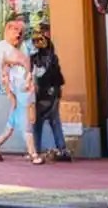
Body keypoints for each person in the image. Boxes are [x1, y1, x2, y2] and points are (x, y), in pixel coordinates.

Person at [0, 15, 38, 162]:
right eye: (15, 30)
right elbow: (4, 69)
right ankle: (32, 153)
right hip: (19, 90)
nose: (19, 34)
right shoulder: (3, 47)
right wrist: (9, 92)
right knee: (26, 122)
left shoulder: (24, 46)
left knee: (12, 124)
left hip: (25, 88)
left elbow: (28, 64)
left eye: (21, 31)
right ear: (8, 30)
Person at [31, 22, 69, 162]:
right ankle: (60, 148)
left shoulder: (48, 57)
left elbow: (52, 76)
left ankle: (39, 149)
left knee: (45, 121)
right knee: (49, 121)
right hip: (45, 92)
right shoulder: (39, 57)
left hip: (47, 92)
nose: (38, 42)